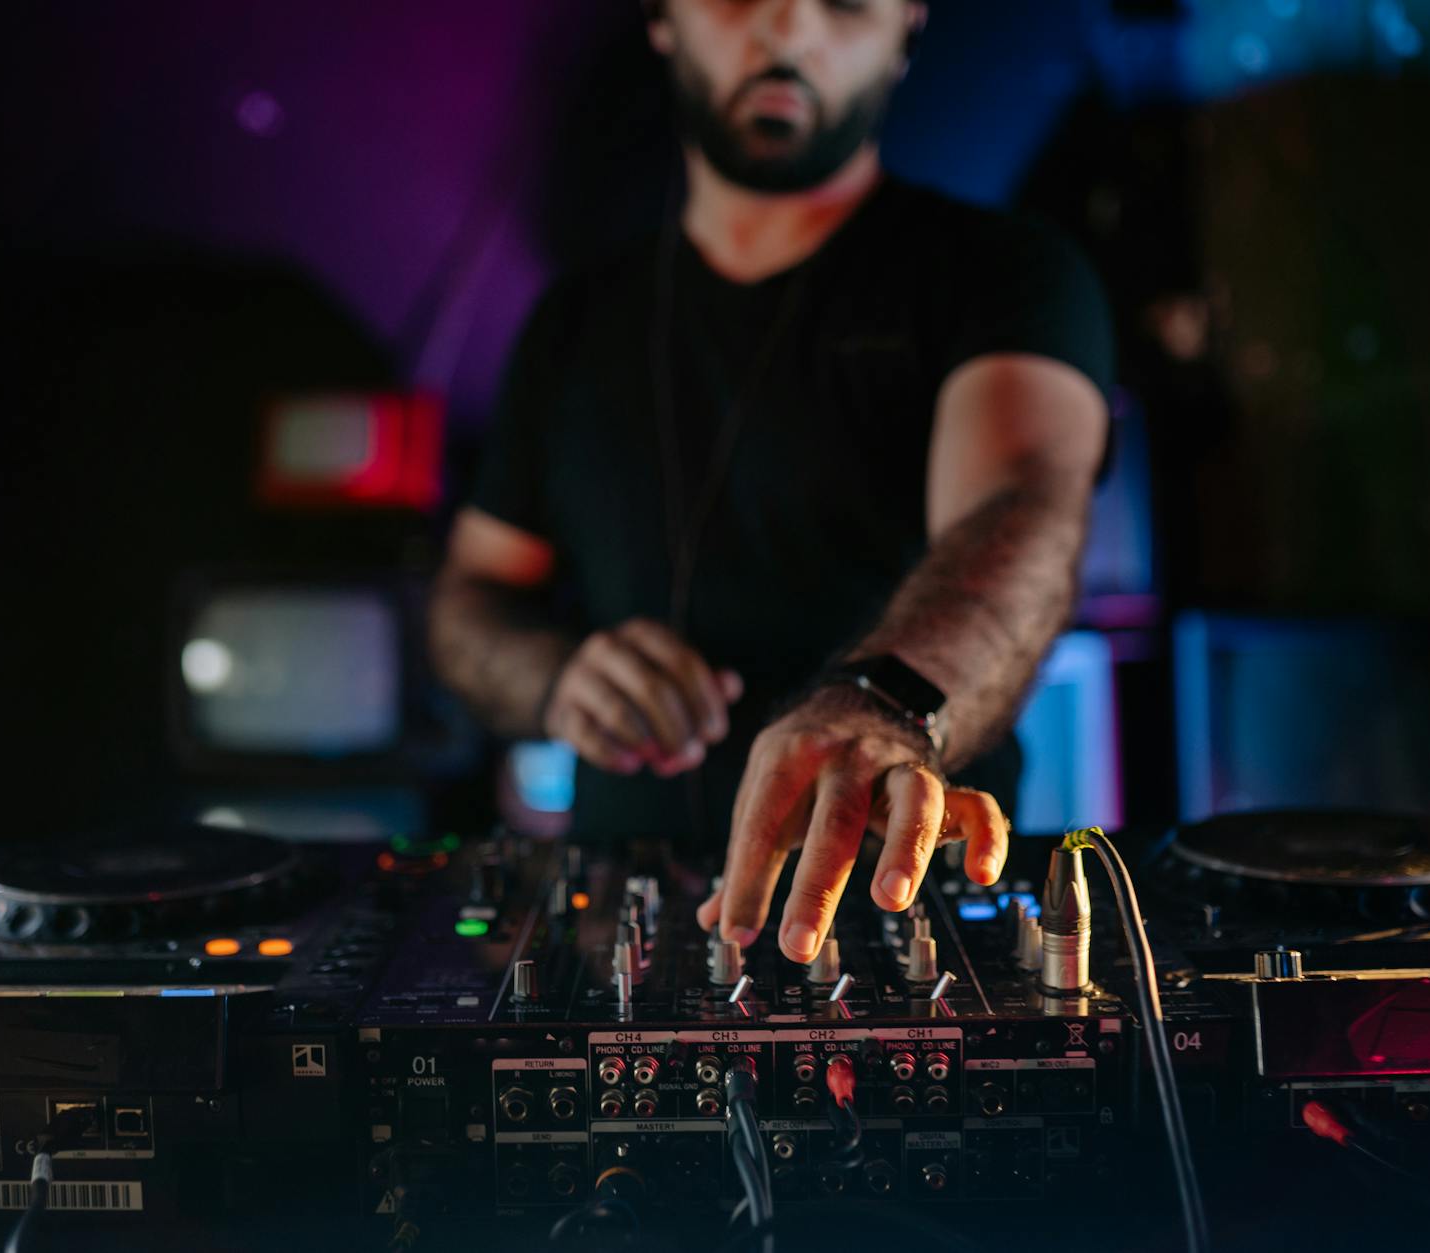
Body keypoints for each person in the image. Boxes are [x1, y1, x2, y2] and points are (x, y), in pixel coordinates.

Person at [428, 0, 1113, 965]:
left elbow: (1025, 511)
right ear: (663, 19)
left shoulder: (1008, 274)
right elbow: (471, 601)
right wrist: (554, 675)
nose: (789, 28)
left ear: (907, 28)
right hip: (628, 919)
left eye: (844, 2)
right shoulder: (575, 320)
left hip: (904, 900)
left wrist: (885, 703)